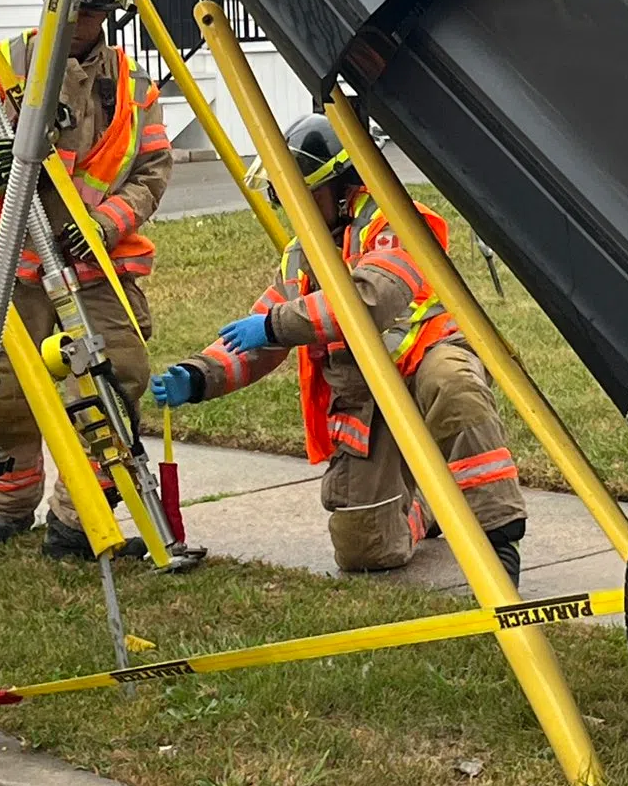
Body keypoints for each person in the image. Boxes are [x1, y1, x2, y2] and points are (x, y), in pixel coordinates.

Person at [153, 116, 526, 580]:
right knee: (364, 551)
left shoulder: (395, 222)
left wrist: (274, 325)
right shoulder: (301, 255)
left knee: (454, 386)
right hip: (369, 401)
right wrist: (198, 375)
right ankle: (428, 506)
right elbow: (256, 340)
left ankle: (498, 541)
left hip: (429, 359)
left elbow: (367, 299)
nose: (289, 205)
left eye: (296, 193)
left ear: (334, 186)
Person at [0, 0, 172, 556]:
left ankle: (79, 519)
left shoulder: (131, 87)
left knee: (111, 381)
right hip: (5, 265)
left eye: (90, 12)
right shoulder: (6, 63)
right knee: (4, 393)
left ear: (109, 14)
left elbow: (151, 171)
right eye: (66, 8)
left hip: (92, 269)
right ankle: (9, 509)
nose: (75, 24)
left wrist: (105, 225)